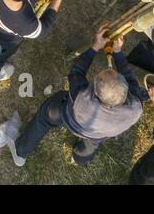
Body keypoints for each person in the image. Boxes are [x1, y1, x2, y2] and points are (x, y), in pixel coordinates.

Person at [15, 25, 143, 166]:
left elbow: (76, 72)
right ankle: (79, 159)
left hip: (70, 118)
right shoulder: (136, 108)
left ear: (95, 93)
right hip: (98, 134)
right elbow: (131, 80)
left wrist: (95, 46)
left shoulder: (82, 99)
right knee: (91, 144)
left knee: (46, 115)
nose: (108, 68)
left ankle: (21, 151)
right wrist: (117, 52)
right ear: (126, 91)